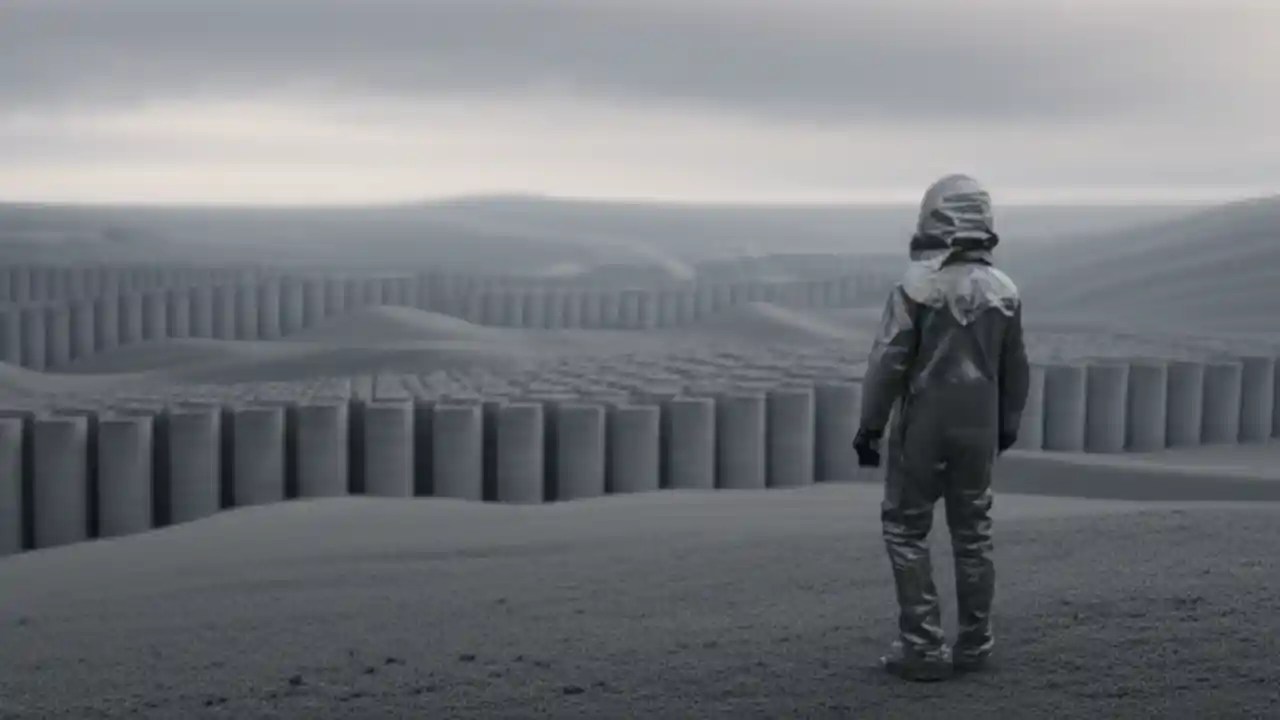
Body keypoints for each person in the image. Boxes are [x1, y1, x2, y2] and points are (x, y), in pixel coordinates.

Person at [852, 174, 1030, 681]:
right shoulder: (1005, 291)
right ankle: (976, 643)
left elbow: (886, 362)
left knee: (906, 530)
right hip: (980, 428)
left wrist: (869, 428)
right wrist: (1008, 423)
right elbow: (1017, 368)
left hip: (924, 425)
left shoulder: (916, 286)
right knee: (973, 532)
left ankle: (923, 647)